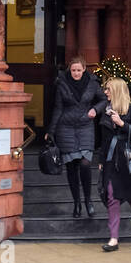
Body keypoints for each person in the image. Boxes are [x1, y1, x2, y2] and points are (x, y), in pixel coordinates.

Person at [46, 55, 107, 218]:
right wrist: (51, 131)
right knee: (72, 167)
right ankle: (77, 203)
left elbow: (104, 100)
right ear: (69, 70)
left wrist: (95, 109)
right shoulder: (62, 83)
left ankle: (88, 200)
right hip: (65, 128)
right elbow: (58, 108)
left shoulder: (92, 83)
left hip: (85, 126)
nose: (76, 73)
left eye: (79, 70)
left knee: (86, 163)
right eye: (73, 70)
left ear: (84, 69)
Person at [97, 77, 131, 251]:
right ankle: (113, 238)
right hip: (111, 159)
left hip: (129, 160)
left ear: (117, 91)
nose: (105, 92)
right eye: (105, 89)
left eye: (108, 89)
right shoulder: (106, 109)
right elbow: (103, 138)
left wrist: (122, 124)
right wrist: (100, 159)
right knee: (112, 197)